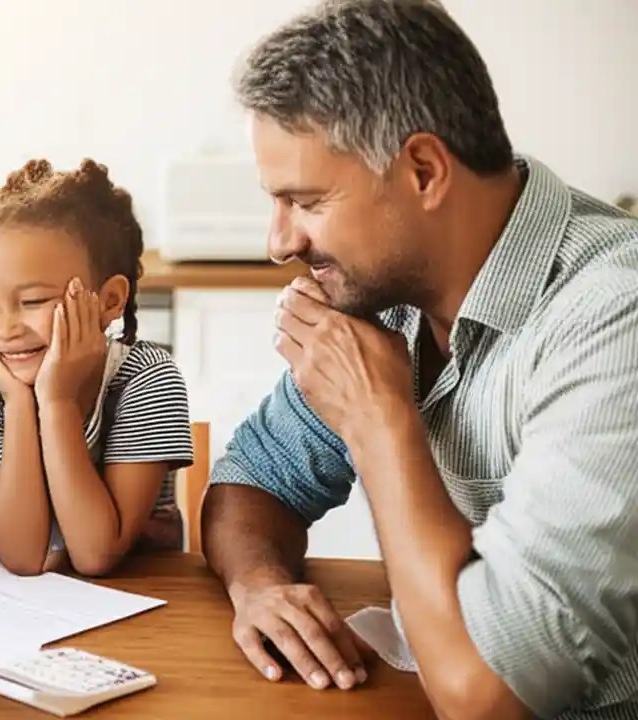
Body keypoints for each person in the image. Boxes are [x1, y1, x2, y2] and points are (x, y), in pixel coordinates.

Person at [201, 1, 638, 718]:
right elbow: (253, 483)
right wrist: (261, 587)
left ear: (425, 171)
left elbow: (487, 697)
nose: (279, 242)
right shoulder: (391, 294)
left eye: (305, 201)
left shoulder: (613, 318)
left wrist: (379, 421)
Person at [0, 159, 193, 577]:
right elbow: (21, 557)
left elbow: (96, 554)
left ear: (110, 300)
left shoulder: (146, 378)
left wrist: (56, 400)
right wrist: (17, 402)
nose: (7, 328)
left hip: (148, 611)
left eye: (32, 301)